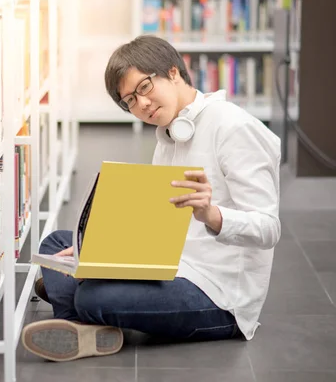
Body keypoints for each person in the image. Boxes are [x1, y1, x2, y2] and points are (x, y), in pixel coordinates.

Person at [20, 35, 282, 362]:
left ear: (173, 72)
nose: (141, 105)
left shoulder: (234, 127)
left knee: (92, 296)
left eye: (143, 88)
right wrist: (103, 249)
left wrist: (211, 214)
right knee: (58, 243)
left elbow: (269, 229)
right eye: (129, 100)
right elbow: (160, 228)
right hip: (171, 266)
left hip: (219, 295)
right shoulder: (170, 134)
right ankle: (82, 317)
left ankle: (75, 309)